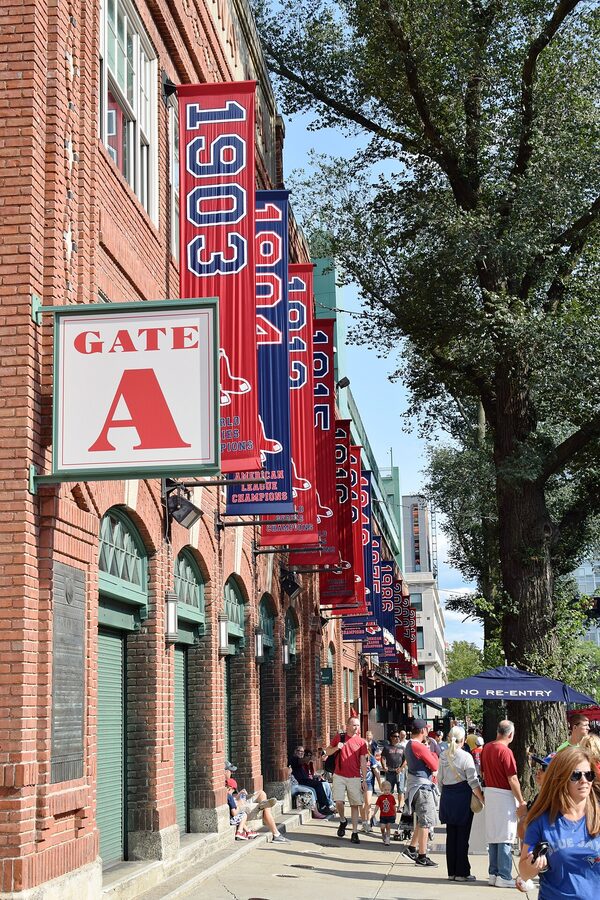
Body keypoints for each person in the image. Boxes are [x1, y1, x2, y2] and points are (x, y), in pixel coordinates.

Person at [519, 746, 600, 898]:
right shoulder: (541, 821)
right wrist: (533, 865)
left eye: (588, 775)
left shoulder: (598, 816)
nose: (584, 781)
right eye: (576, 776)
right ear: (562, 779)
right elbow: (524, 871)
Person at [480, 719, 527, 888]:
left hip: (490, 793)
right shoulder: (505, 751)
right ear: (511, 734)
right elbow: (512, 778)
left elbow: (482, 772)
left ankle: (493, 873)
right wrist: (521, 800)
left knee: (493, 835)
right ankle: (504, 875)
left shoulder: (486, 748)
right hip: (504, 794)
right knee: (506, 835)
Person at [438, 725, 484, 882]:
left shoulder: (443, 755)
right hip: (463, 797)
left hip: (448, 797)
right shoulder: (466, 756)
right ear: (463, 740)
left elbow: (439, 780)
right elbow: (473, 780)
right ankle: (462, 872)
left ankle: (451, 871)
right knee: (463, 836)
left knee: (451, 835)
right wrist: (481, 798)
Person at [325, 715, 369, 844]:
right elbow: (327, 752)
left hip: (354, 777)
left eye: (358, 725)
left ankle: (354, 832)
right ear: (348, 726)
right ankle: (343, 820)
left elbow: (363, 762)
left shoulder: (361, 742)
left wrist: (364, 780)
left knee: (355, 805)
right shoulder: (340, 737)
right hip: (339, 775)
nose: (356, 728)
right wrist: (336, 748)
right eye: (354, 725)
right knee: (338, 801)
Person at [401, 718, 439, 868]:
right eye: (427, 729)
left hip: (415, 786)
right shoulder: (420, 747)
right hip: (423, 788)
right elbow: (435, 765)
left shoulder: (409, 745)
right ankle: (422, 856)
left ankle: (411, 848)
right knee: (425, 822)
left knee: (420, 820)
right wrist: (433, 755)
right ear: (423, 730)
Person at [226, 772, 291, 843]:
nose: (229, 772)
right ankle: (276, 833)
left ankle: (263, 805)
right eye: (234, 790)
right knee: (265, 808)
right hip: (239, 807)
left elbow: (232, 797)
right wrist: (239, 802)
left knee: (261, 793)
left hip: (239, 801)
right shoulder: (223, 787)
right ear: (230, 788)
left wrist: (239, 795)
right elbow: (233, 809)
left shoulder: (227, 786)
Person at [289, 746, 335, 816]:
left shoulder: (302, 760)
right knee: (317, 786)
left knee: (323, 783)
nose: (301, 753)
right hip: (299, 782)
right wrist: (310, 758)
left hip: (306, 780)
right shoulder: (294, 759)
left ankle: (328, 805)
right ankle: (323, 807)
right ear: (295, 751)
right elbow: (302, 761)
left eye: (302, 752)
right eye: (299, 751)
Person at [362, 748, 382, 833]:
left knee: (368, 802)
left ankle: (369, 822)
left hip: (369, 782)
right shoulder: (356, 757)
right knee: (360, 804)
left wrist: (380, 783)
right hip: (357, 782)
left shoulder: (371, 758)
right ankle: (364, 823)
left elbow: (376, 772)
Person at [382, 730, 406, 799]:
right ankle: (391, 806)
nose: (397, 738)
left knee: (400, 790)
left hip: (399, 772)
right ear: (391, 737)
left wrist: (401, 768)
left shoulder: (402, 748)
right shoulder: (387, 747)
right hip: (389, 771)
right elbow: (383, 757)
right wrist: (384, 766)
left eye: (398, 736)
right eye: (395, 736)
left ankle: (399, 807)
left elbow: (405, 760)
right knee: (389, 790)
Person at [375, 780, 397, 845]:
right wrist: (374, 814)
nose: (387, 791)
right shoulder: (380, 797)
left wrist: (395, 813)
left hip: (390, 815)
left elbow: (393, 806)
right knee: (382, 827)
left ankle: (388, 839)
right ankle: (383, 834)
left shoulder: (391, 797)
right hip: (383, 815)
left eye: (388, 790)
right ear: (382, 789)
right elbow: (377, 806)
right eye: (385, 790)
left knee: (388, 827)